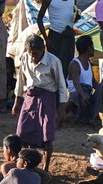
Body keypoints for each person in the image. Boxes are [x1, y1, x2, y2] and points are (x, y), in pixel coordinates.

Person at [12, 32, 68, 171]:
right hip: (30, 97)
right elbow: (20, 81)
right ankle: (28, 163)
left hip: (47, 98)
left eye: (36, 53)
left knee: (46, 135)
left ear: (43, 49)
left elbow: (62, 85)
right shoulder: (24, 58)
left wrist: (62, 108)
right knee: (23, 132)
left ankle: (45, 168)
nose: (33, 56)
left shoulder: (53, 61)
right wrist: (16, 101)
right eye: (30, 53)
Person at [37, 0, 79, 72]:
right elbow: (39, 19)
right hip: (55, 36)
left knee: (68, 65)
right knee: (55, 66)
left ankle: (66, 83)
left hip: (69, 35)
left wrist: (77, 17)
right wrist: (46, 39)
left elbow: (73, 16)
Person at [66, 35, 103, 125]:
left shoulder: (88, 63)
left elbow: (93, 83)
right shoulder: (75, 64)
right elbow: (76, 83)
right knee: (82, 90)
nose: (93, 49)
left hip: (88, 95)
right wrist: (83, 95)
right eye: (92, 46)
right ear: (88, 48)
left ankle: (95, 112)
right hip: (78, 96)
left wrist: (102, 91)